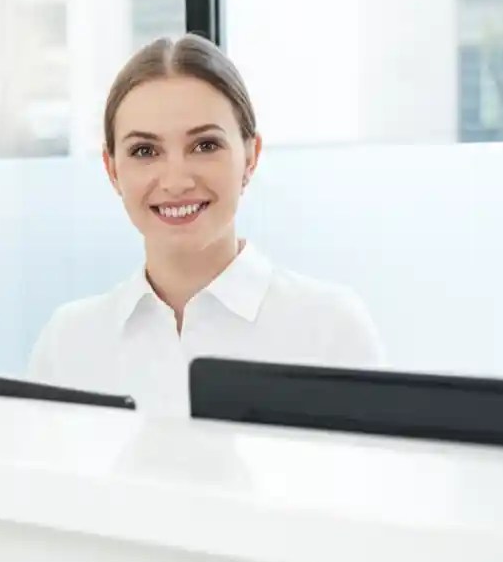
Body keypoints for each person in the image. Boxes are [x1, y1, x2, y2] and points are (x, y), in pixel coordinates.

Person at [28, 34, 380, 416]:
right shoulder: (69, 341)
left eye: (205, 146)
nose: (176, 181)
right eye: (145, 151)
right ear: (112, 170)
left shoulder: (329, 330)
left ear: (251, 156)